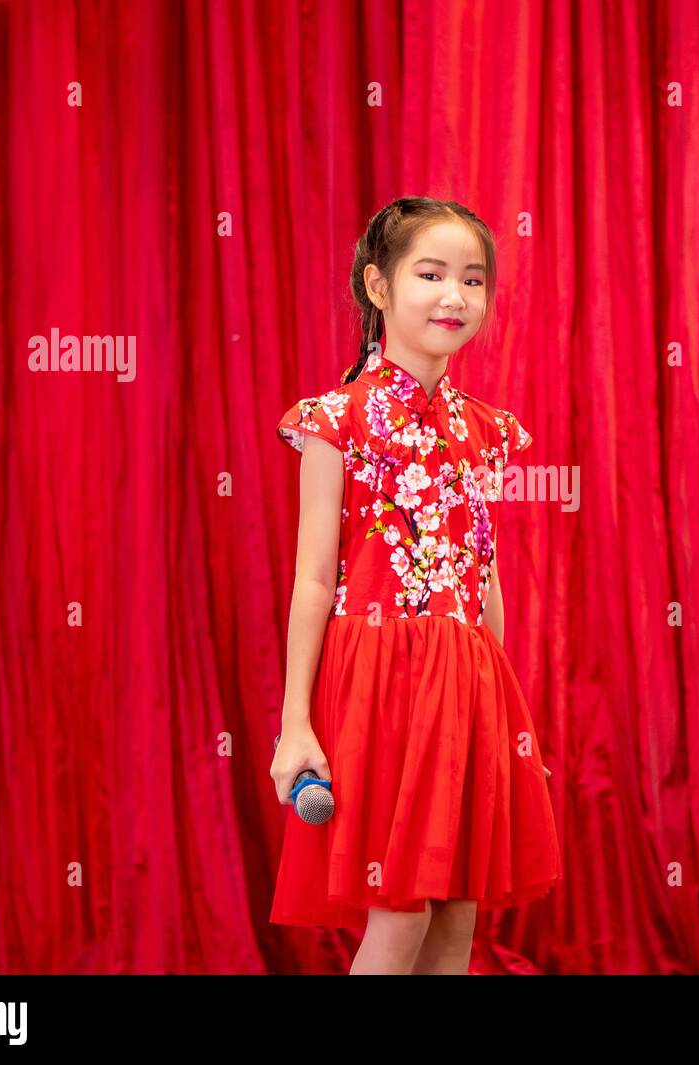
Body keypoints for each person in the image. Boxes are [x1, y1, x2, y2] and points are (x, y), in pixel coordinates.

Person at [268, 197, 562, 974]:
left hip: (465, 685)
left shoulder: (484, 428)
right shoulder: (336, 418)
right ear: (378, 285)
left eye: (473, 279)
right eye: (430, 274)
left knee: (456, 918)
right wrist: (295, 722)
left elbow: (483, 570)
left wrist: (500, 717)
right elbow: (312, 579)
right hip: (377, 684)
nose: (454, 296)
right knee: (399, 913)